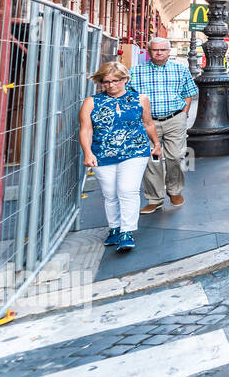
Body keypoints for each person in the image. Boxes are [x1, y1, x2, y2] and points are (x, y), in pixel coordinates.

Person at [79, 62, 161, 251]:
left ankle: (127, 231)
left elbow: (148, 124)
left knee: (127, 190)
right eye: (105, 82)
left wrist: (156, 143)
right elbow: (85, 130)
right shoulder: (91, 102)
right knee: (110, 194)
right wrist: (88, 152)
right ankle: (114, 228)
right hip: (103, 153)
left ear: (125, 80)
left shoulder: (140, 99)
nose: (110, 85)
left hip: (135, 151)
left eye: (115, 81)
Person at [128, 36, 198, 214]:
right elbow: (128, 97)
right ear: (149, 51)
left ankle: (174, 191)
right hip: (147, 122)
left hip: (175, 119)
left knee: (176, 156)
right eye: (155, 50)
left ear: (169, 51)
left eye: (163, 50)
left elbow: (188, 93)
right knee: (152, 160)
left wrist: (184, 114)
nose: (159, 53)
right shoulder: (135, 71)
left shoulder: (180, 70)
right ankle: (154, 198)